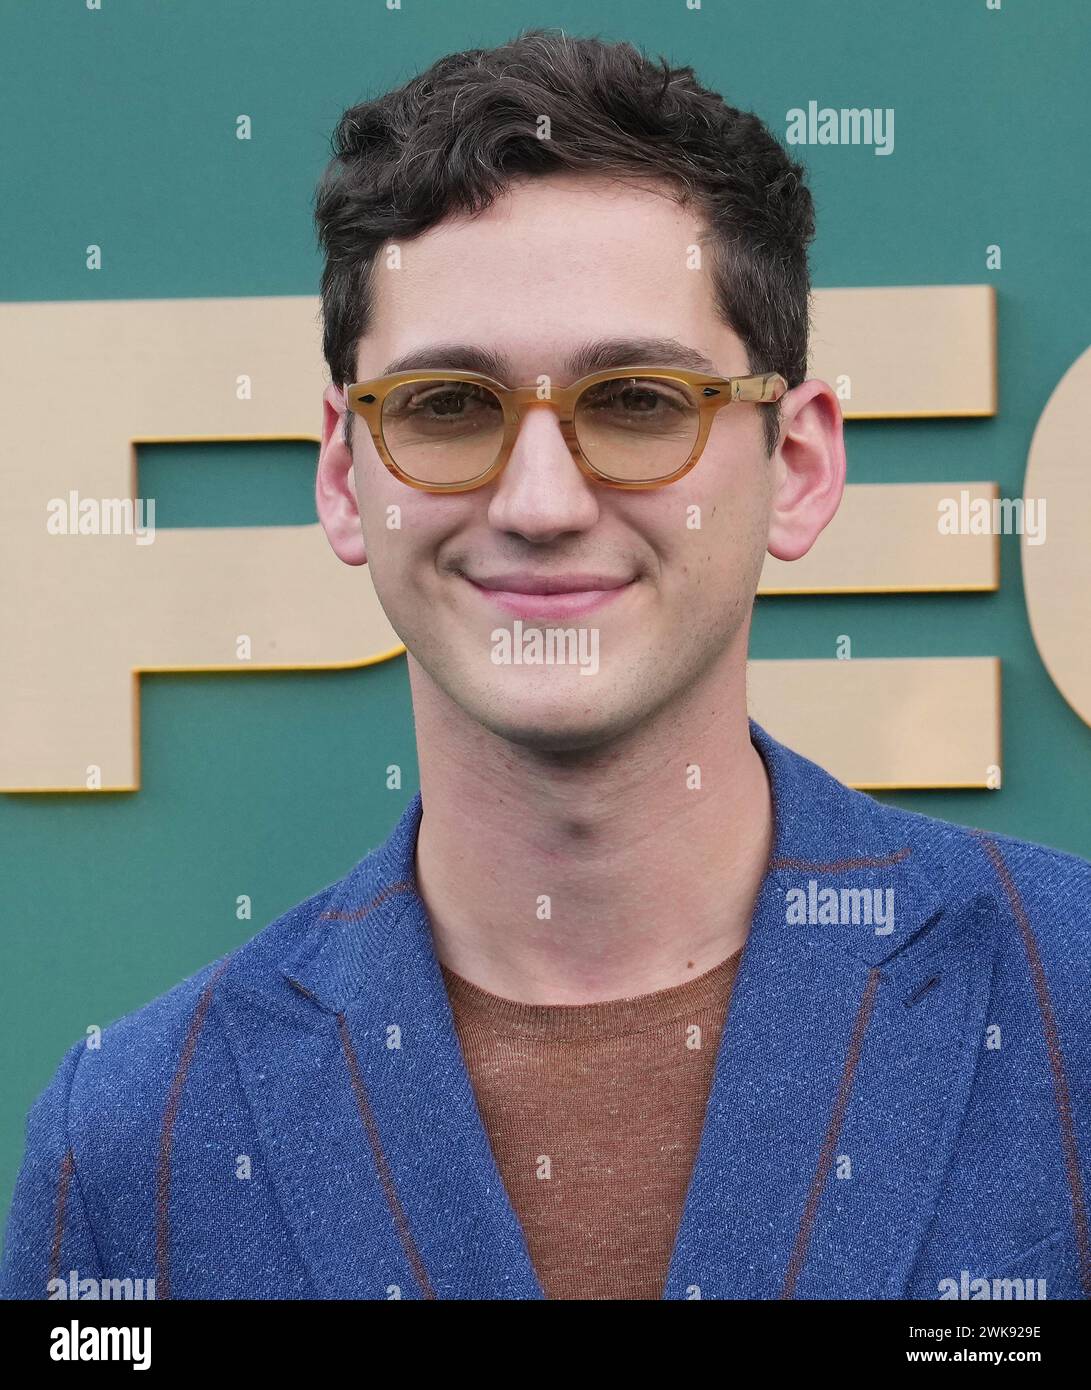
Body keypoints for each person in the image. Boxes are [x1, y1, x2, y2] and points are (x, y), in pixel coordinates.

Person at [2, 28, 1089, 1302]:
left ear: (795, 466)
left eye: (636, 401)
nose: (538, 500)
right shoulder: (133, 1143)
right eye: (446, 406)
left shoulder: (1068, 1000)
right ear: (341, 477)